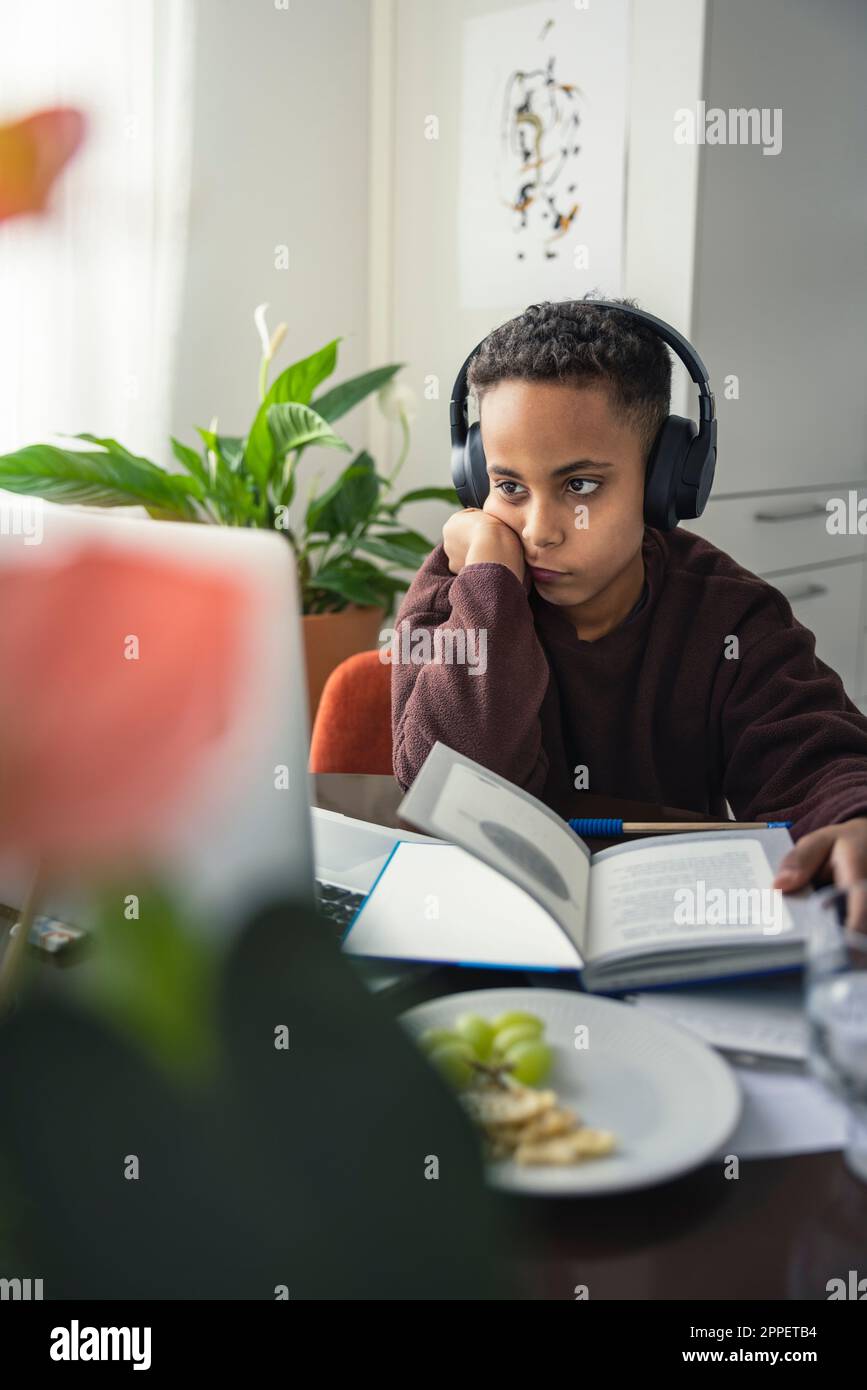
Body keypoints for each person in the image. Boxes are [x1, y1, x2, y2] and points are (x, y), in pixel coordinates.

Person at [391, 296, 867, 912]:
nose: (539, 531)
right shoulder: (455, 592)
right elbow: (446, 790)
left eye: (580, 485)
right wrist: (489, 578)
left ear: (667, 481)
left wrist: (855, 815)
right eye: (509, 487)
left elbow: (815, 758)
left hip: (671, 917)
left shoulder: (730, 617)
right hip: (484, 917)